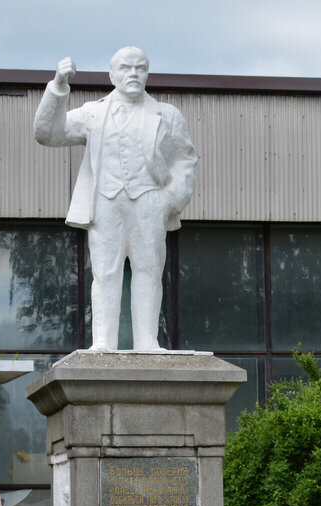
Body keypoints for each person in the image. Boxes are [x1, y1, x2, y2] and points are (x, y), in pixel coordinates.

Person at [34, 46, 198, 351]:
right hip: (105, 202)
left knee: (149, 270)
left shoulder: (167, 114)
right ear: (112, 75)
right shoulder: (94, 113)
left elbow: (185, 160)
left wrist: (170, 201)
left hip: (150, 201)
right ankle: (103, 343)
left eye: (140, 68)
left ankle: (147, 342)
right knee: (104, 272)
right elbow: (48, 134)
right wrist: (58, 87)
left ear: (148, 72)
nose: (133, 74)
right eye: (125, 68)